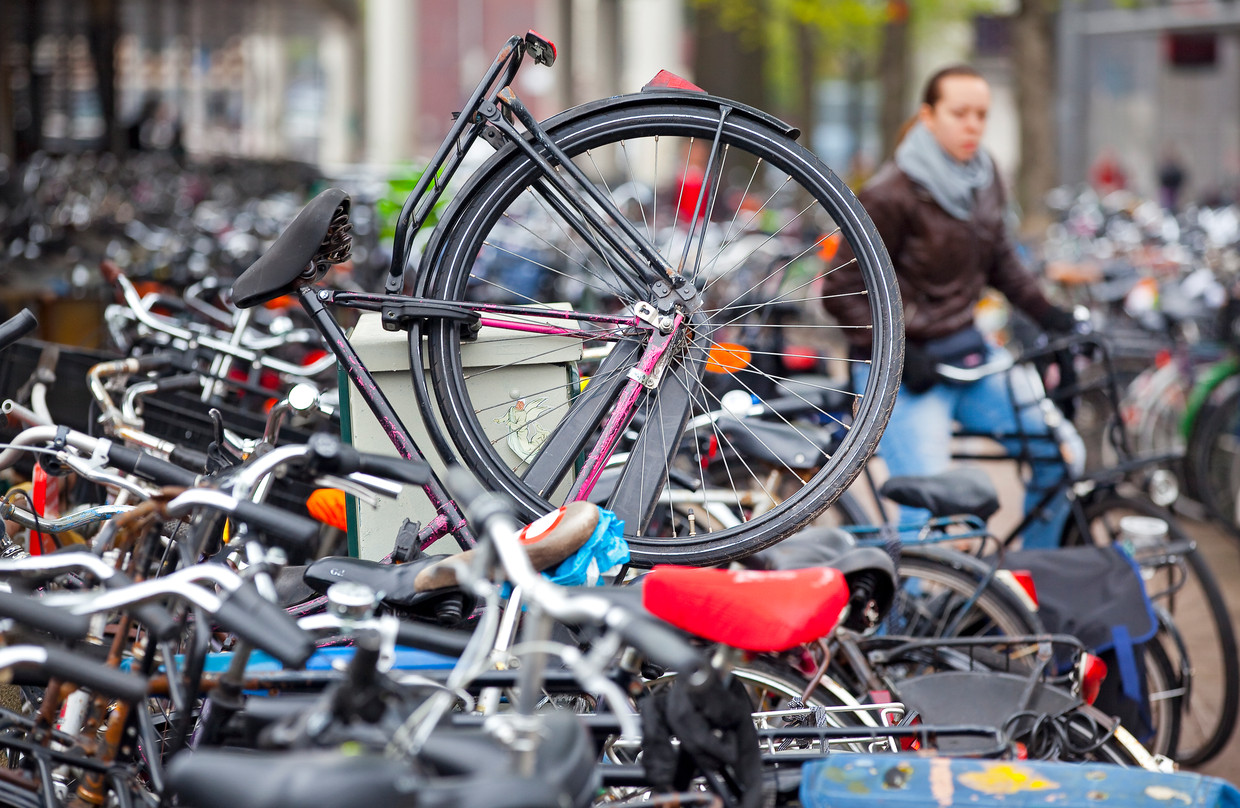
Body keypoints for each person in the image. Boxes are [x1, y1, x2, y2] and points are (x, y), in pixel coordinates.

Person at [822, 64, 1082, 547]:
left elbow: (1001, 259)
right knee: (927, 514)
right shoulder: (889, 193)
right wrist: (899, 354)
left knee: (1064, 453)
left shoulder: (986, 176)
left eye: (981, 115)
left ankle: (1033, 573)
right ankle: (909, 596)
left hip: (967, 357)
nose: (973, 126)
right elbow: (839, 289)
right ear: (928, 116)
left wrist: (1050, 316)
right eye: (959, 113)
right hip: (904, 374)